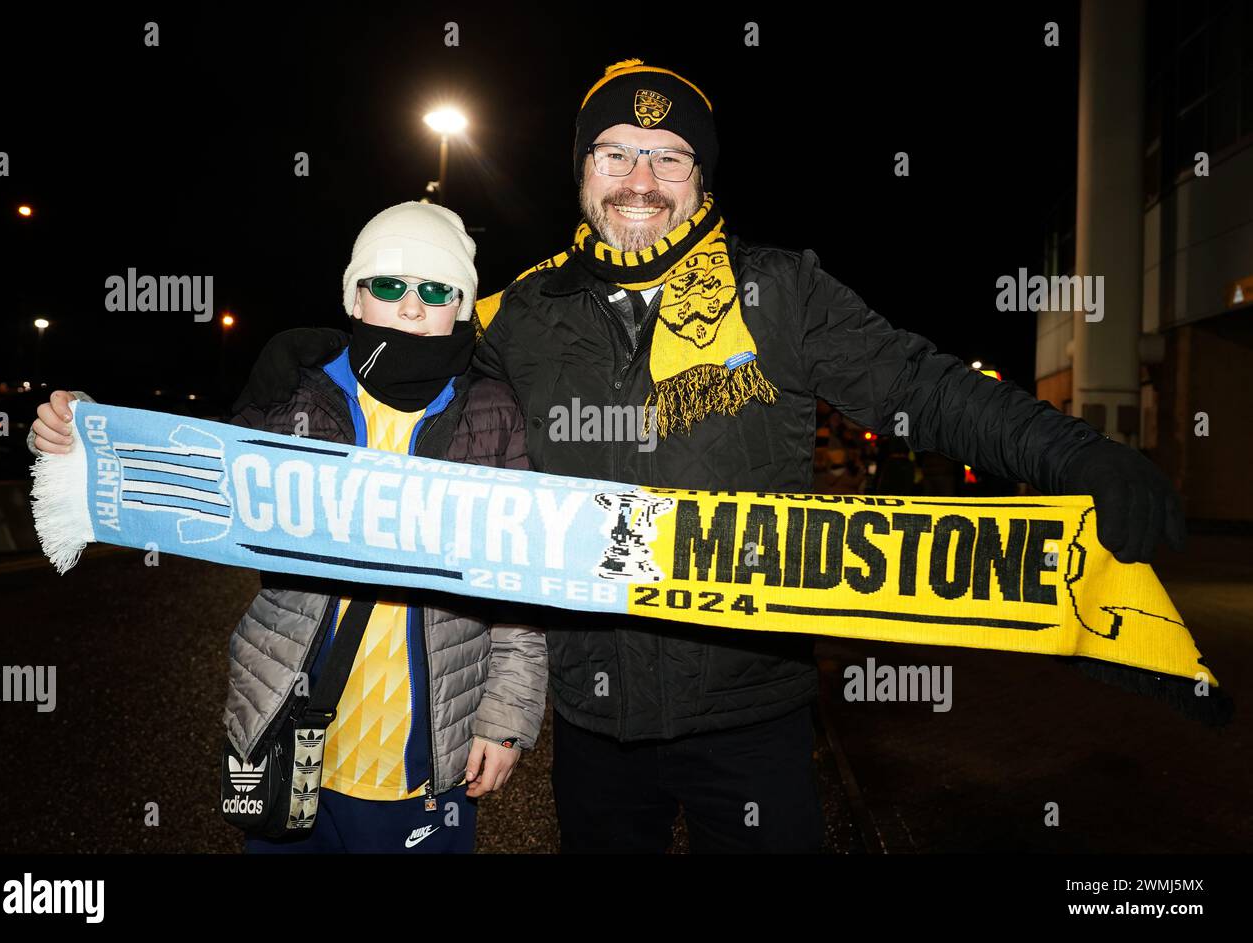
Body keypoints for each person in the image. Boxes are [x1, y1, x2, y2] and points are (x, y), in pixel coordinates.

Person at [230, 59, 1185, 853]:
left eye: (668, 156)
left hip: (752, 720)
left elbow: (925, 387)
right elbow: (416, 345)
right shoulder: (525, 311)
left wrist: (1079, 455)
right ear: (582, 169)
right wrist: (309, 358)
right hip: (596, 725)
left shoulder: (779, 292)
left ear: (702, 176)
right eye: (615, 152)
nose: (639, 178)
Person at [29, 201, 548, 853]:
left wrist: (505, 719)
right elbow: (196, 470)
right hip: (285, 730)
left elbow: (524, 577)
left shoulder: (494, 411)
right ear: (356, 299)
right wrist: (87, 432)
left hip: (417, 757)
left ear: (463, 306)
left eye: (437, 289)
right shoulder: (295, 393)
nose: (411, 305)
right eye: (388, 284)